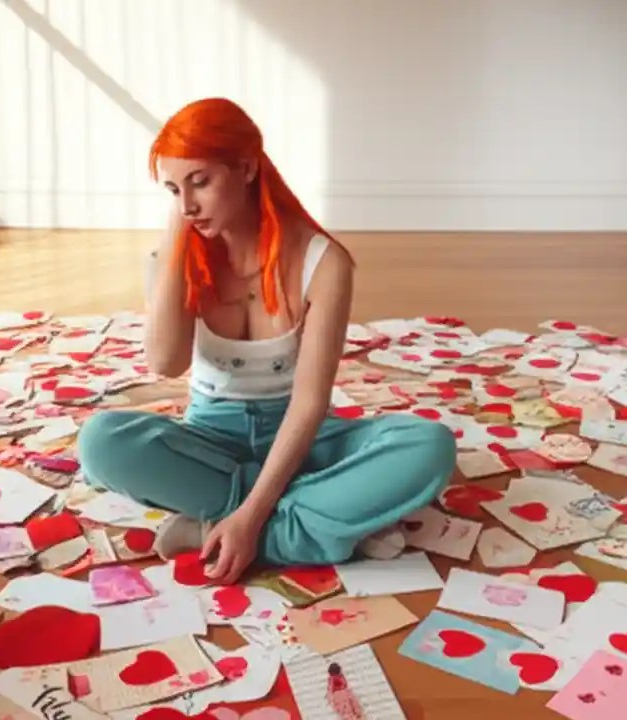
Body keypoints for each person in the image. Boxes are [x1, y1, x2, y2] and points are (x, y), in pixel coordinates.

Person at [76, 97, 455, 585]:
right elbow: (165, 363)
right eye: (173, 189)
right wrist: (177, 227)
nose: (188, 205)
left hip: (302, 438)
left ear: (247, 167)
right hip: (209, 440)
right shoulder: (175, 253)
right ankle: (325, 524)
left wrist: (250, 518)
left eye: (201, 181)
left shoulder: (325, 263)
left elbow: (310, 402)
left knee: (429, 445)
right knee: (101, 441)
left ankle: (219, 526)